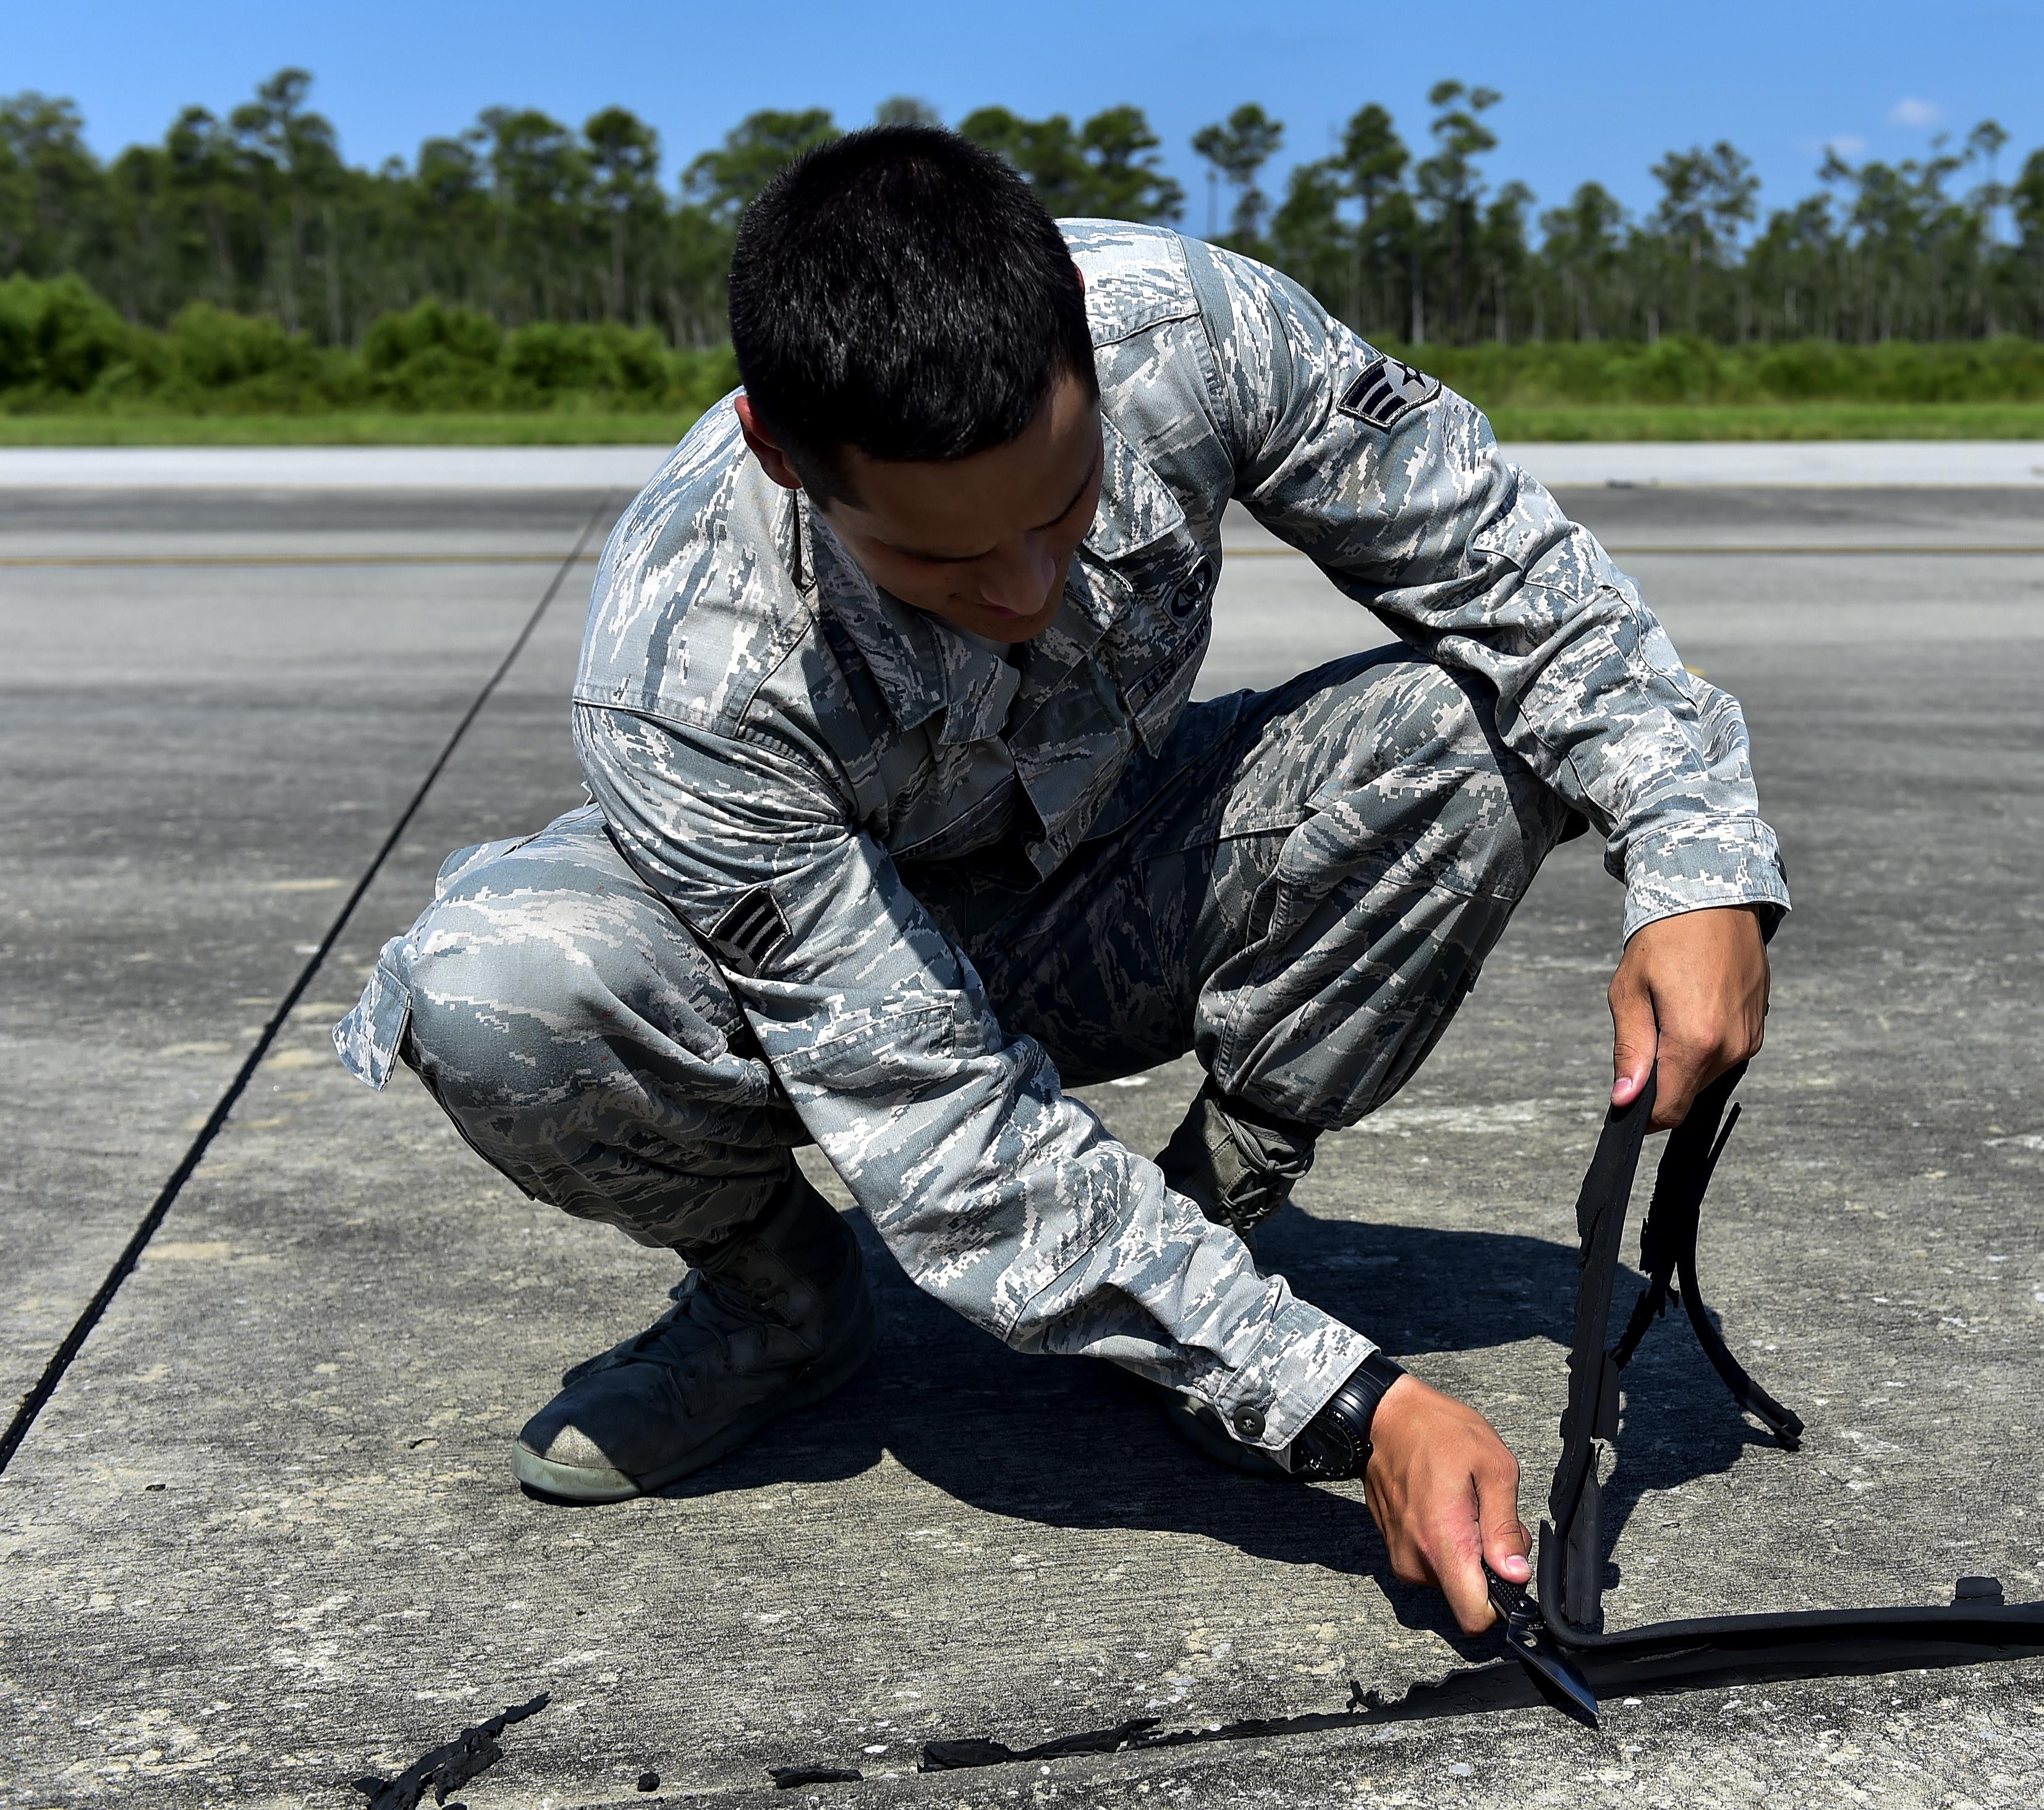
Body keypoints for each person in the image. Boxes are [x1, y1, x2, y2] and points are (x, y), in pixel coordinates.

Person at [331, 125, 1783, 1638]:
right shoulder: (681, 669)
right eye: (939, 562)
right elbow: (944, 1116)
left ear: (1089, 351)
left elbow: (1521, 585)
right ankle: (775, 1303)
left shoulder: (1197, 326)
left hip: (1107, 877)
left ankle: (1216, 1217)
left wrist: (1697, 865)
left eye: (1063, 506)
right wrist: (1347, 1404)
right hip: (826, 986)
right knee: (501, 987)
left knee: (1484, 732)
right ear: (781, 454)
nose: (1024, 592)